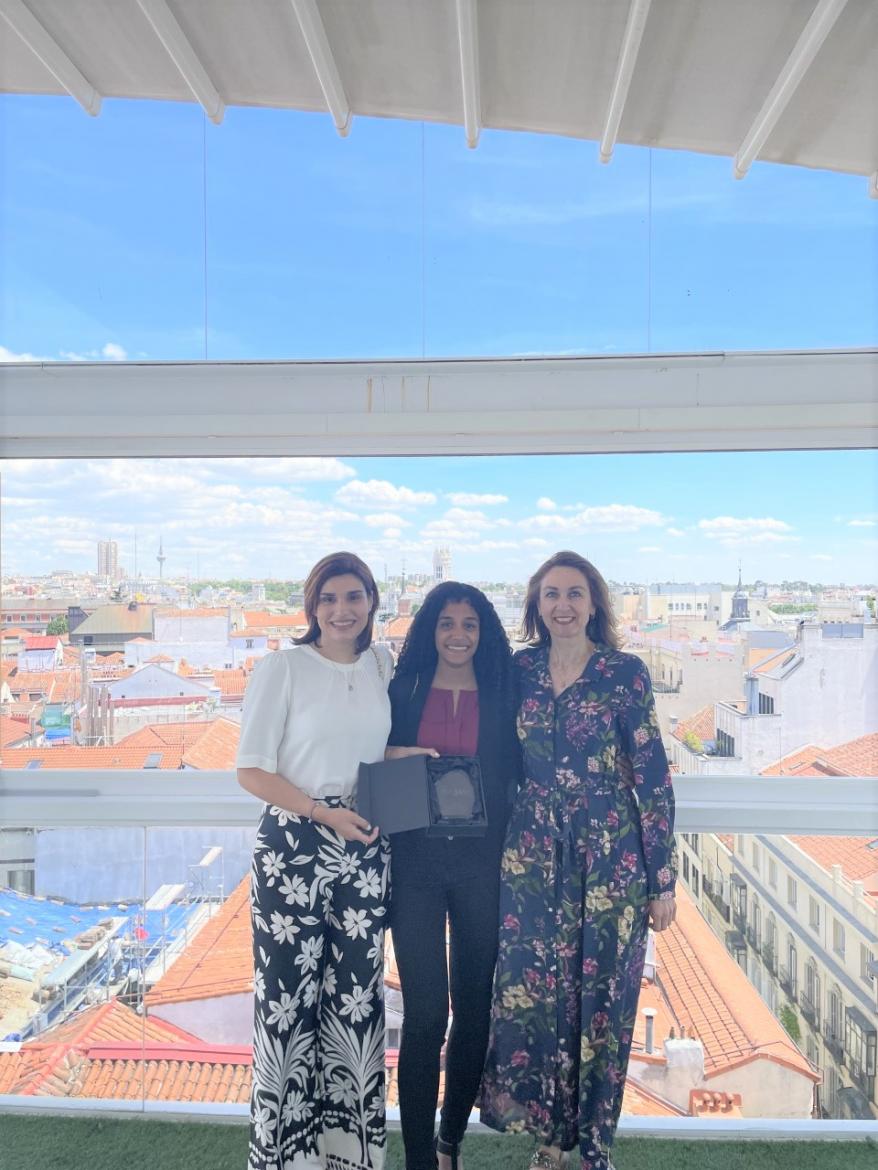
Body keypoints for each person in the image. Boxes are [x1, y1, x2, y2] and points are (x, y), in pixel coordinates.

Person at [480, 551, 676, 1170]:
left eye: (574, 593)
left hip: (610, 855)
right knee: (537, 994)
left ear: (594, 603)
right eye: (550, 595)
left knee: (603, 1002)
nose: (562, 605)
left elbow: (651, 777)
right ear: (536, 606)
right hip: (532, 854)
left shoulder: (625, 673)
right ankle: (549, 1141)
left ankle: (593, 1147)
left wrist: (661, 878)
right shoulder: (518, 671)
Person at [237, 552, 393, 1170]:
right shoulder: (283, 667)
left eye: (353, 597)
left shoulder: (382, 663)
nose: (340, 610)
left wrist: (417, 753)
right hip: (294, 849)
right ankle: (281, 1157)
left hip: (364, 848)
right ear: (311, 608)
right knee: (286, 1005)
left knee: (356, 999)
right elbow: (251, 770)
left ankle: (348, 1155)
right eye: (327, 599)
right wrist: (322, 814)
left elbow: (372, 749)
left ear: (372, 602)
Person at [385, 582, 520, 1170]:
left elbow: (524, 772)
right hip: (413, 863)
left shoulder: (504, 692)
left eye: (470, 624)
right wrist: (392, 758)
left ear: (484, 632)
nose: (459, 635)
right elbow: (374, 766)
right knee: (423, 1016)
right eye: (447, 623)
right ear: (429, 631)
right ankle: (416, 1158)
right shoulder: (403, 689)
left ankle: (448, 1143)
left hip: (482, 867)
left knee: (474, 1010)